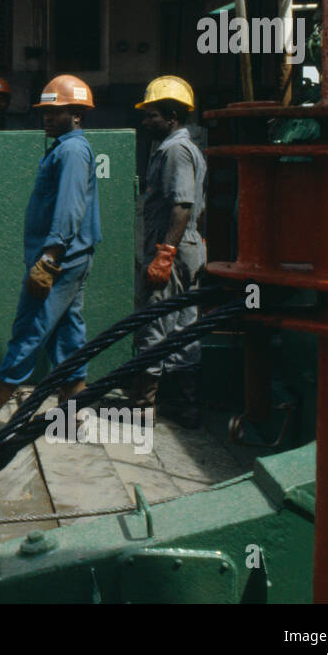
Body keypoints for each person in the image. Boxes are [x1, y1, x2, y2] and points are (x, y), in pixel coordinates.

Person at [0, 74, 102, 430]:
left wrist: (50, 257)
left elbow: (70, 208)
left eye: (55, 112)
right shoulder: (66, 148)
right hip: (70, 257)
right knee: (67, 333)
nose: (47, 118)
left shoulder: (72, 151)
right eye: (45, 111)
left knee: (30, 327)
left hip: (60, 260)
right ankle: (75, 410)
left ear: (77, 115)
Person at [133, 76, 207, 428]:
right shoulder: (180, 147)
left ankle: (144, 405)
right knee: (183, 324)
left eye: (152, 115)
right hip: (184, 247)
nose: (146, 121)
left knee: (155, 321)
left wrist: (165, 254)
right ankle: (185, 404)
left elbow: (182, 205)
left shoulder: (176, 151)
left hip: (172, 249)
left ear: (172, 116)